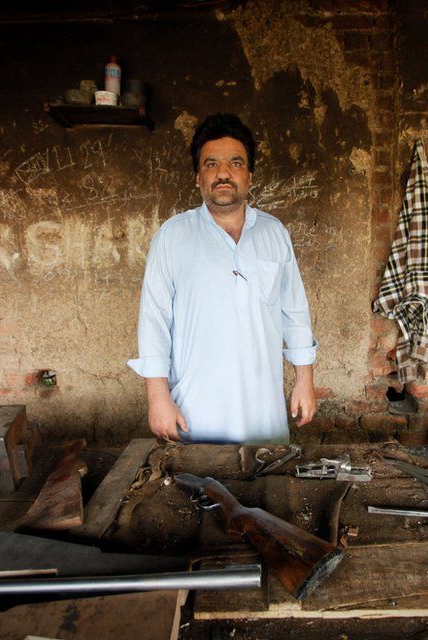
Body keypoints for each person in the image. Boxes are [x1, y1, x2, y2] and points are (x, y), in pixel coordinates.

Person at [127, 113, 317, 444]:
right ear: (198, 178)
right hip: (197, 409)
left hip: (264, 409)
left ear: (250, 177)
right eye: (211, 164)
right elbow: (154, 321)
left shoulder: (274, 233)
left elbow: (295, 312)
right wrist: (157, 398)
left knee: (265, 485)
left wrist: (305, 379)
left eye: (235, 163)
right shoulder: (173, 236)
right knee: (200, 490)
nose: (223, 173)